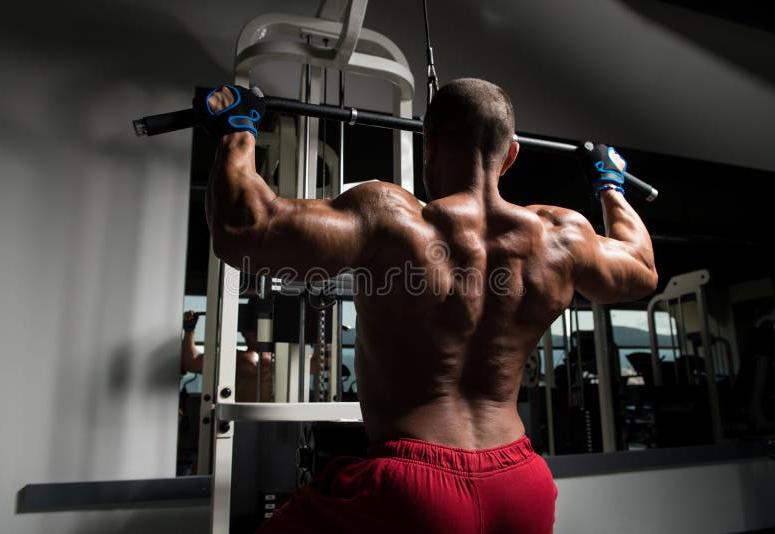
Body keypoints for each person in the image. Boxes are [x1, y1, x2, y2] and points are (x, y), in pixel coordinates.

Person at [196, 79, 658, 533]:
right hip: (521, 484)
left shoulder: (390, 217)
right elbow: (640, 268)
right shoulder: (562, 237)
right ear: (511, 153)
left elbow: (244, 230)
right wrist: (610, 184)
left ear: (429, 143)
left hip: (411, 490)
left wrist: (239, 129)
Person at [181, 303, 273, 402]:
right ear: (243, 332)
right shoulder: (233, 358)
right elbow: (191, 362)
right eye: (252, 329)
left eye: (260, 328)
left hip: (273, 415)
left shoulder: (285, 360)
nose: (257, 333)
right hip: (239, 414)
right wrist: (189, 330)